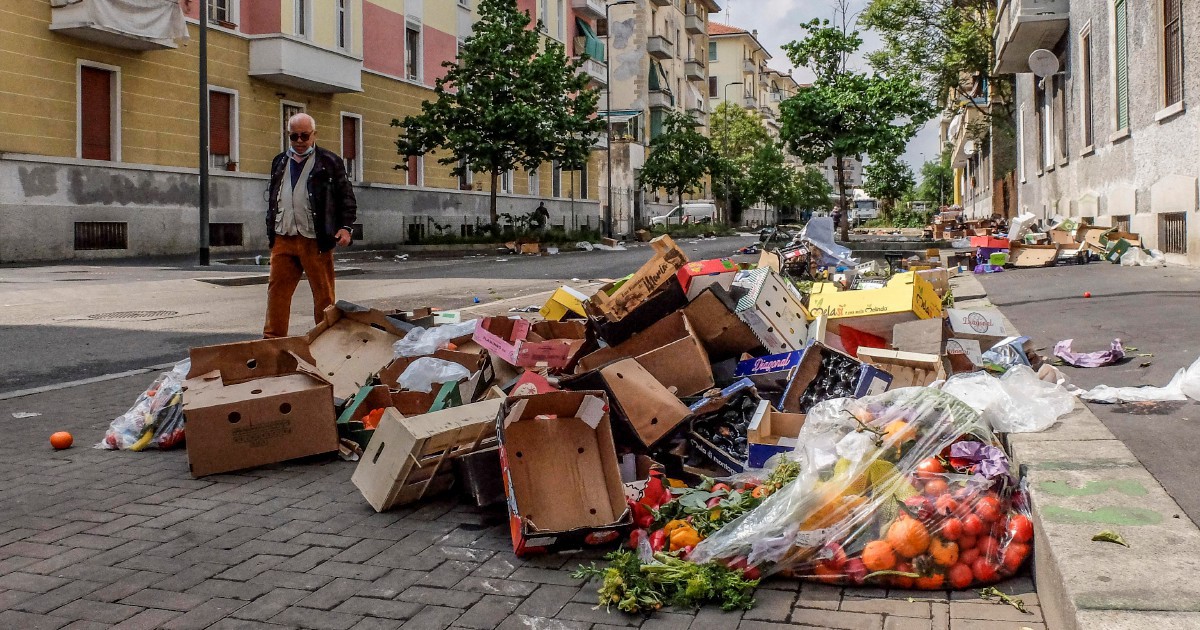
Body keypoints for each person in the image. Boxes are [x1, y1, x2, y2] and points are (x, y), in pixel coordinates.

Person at [263, 113, 358, 338]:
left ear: (314, 134)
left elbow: (345, 196)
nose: (299, 141)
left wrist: (345, 227)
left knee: (323, 295)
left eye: (304, 136)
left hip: (315, 239)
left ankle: (325, 339)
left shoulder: (329, 161)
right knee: (277, 292)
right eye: (294, 136)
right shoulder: (280, 161)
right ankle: (272, 342)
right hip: (283, 236)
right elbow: (274, 197)